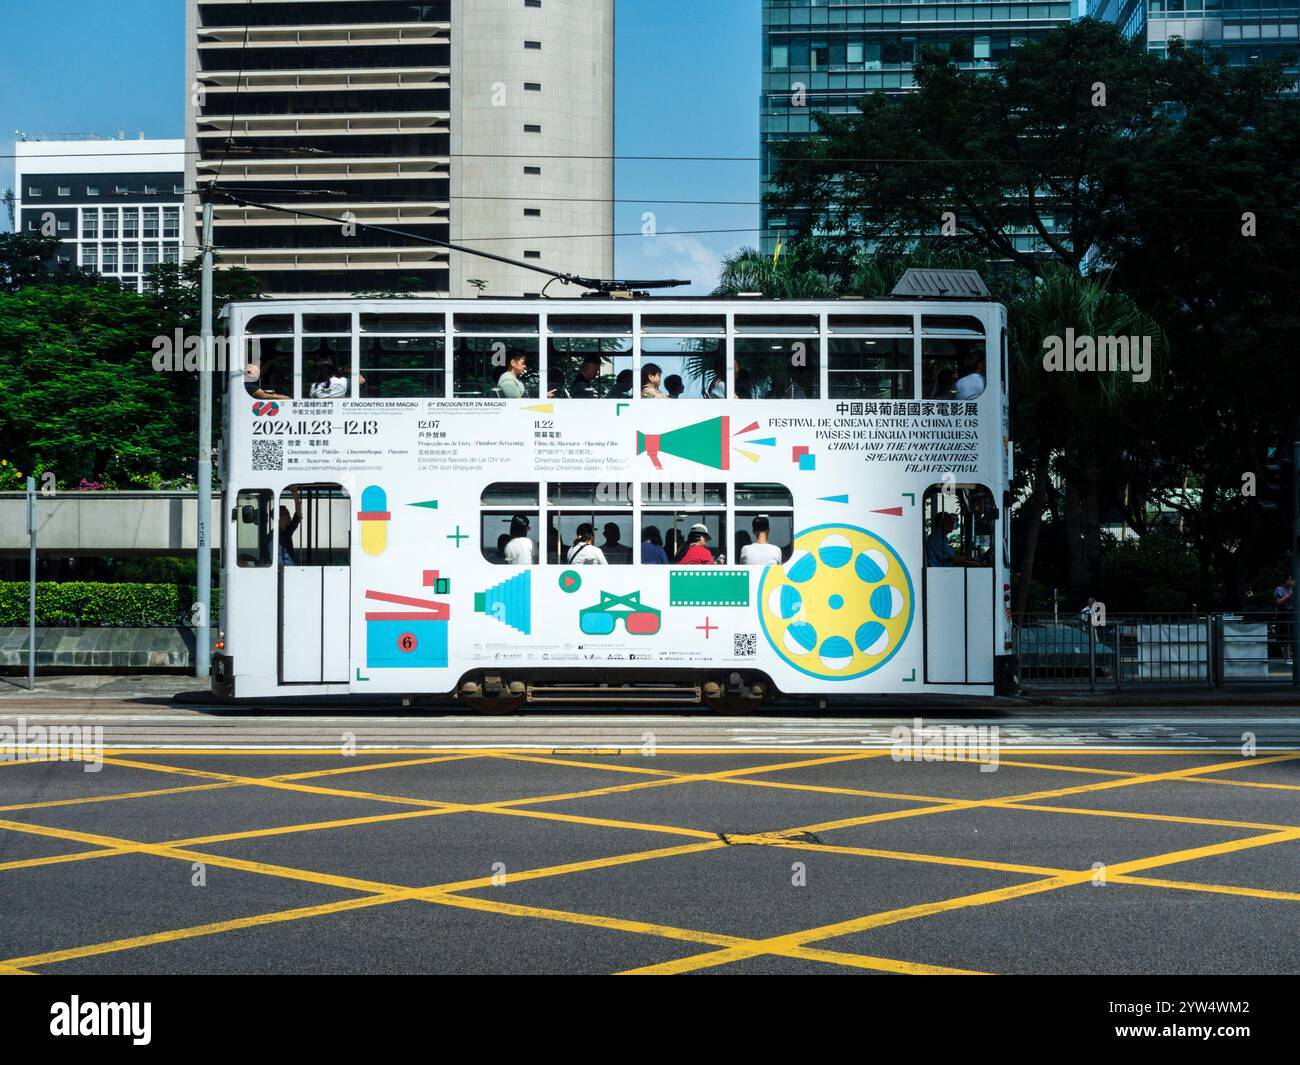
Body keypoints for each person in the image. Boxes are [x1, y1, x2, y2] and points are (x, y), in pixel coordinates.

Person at [278, 490, 302, 566]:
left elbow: (297, 516)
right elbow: (279, 563)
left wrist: (295, 495)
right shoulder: (273, 539)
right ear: (280, 518)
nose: (290, 518)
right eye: (288, 516)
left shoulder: (287, 531)